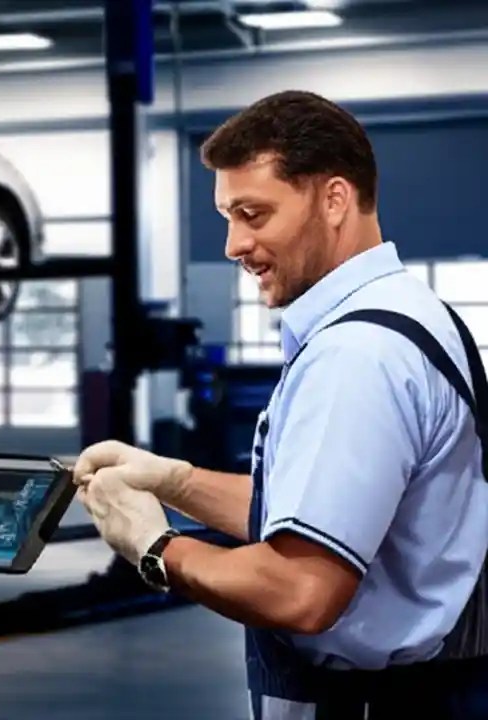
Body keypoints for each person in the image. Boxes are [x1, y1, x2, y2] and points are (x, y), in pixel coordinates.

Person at [74, 90, 488, 720]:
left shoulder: (357, 355)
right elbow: (324, 510)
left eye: (253, 214)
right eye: (227, 216)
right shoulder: (413, 314)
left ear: (334, 200)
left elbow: (301, 592)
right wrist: (173, 480)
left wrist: (157, 548)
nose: (233, 244)